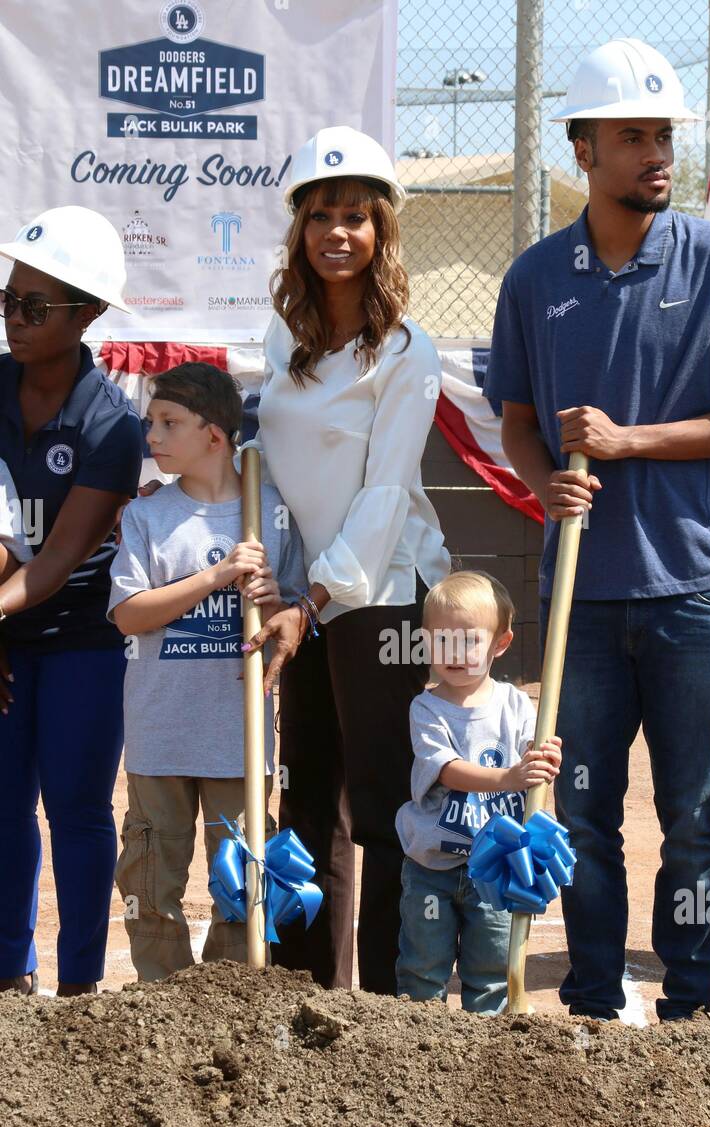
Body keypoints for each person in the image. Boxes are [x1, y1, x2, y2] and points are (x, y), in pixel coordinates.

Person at [484, 38, 710, 1021]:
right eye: (632, 135)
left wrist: (626, 442)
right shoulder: (532, 278)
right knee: (579, 814)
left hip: (695, 597)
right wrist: (543, 489)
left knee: (692, 819)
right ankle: (591, 1005)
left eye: (661, 133)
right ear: (582, 149)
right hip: (581, 597)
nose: (655, 151)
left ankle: (691, 1009)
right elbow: (518, 422)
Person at [244, 126, 451, 995]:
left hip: (384, 599)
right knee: (306, 798)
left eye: (357, 217)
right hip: (308, 601)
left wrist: (317, 598)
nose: (338, 231)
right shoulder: (281, 342)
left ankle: (393, 1011)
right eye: (320, 214)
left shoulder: (408, 351)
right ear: (298, 229)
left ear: (381, 232)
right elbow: (263, 465)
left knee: (379, 805)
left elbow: (385, 495)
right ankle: (308, 999)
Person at [108, 364, 306, 981]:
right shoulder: (147, 516)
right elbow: (129, 615)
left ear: (215, 436)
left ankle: (232, 1003)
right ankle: (162, 1006)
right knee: (151, 877)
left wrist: (274, 599)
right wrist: (216, 577)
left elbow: (288, 625)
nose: (154, 437)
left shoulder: (271, 512)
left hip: (237, 741)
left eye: (169, 423)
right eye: (151, 423)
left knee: (242, 883)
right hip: (159, 735)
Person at [0, 206, 142, 997]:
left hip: (81, 638)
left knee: (79, 813)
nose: (14, 320)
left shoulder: (112, 424)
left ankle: (82, 993)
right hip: (3, 631)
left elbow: (55, 564)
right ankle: (8, 978)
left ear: (87, 314)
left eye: (33, 306)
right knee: (1, 809)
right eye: (7, 300)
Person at [395, 571, 561, 1014]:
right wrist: (509, 778)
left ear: (500, 644)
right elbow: (448, 771)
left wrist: (542, 761)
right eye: (442, 640)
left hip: (495, 870)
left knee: (491, 974)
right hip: (432, 865)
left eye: (469, 640)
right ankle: (421, 1049)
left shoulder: (516, 704)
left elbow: (533, 764)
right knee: (421, 970)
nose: (454, 653)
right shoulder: (425, 707)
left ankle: (483, 1062)